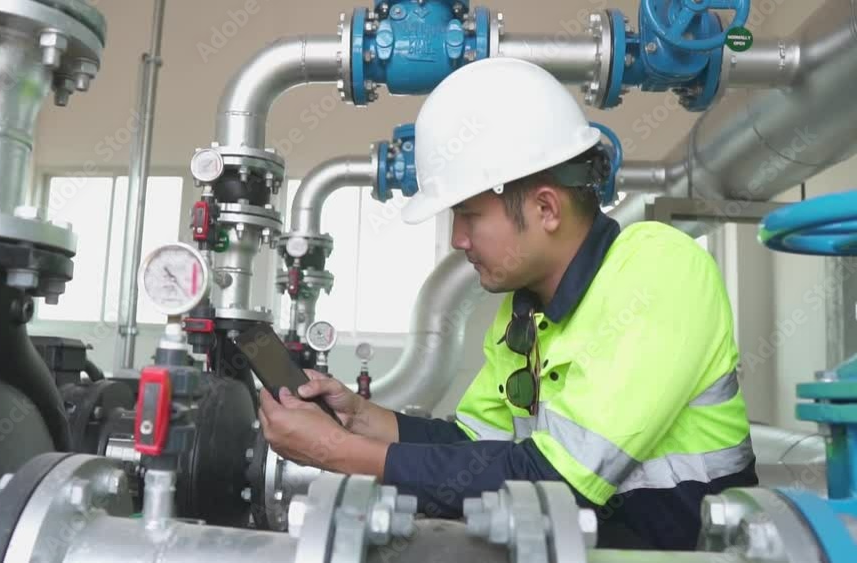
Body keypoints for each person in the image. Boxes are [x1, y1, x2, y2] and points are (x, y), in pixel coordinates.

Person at [257, 58, 757, 550]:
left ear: (546, 208)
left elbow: (556, 482)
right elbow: (477, 448)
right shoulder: (524, 313)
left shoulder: (658, 268)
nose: (458, 239)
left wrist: (339, 453)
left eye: (469, 215)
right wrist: (361, 418)